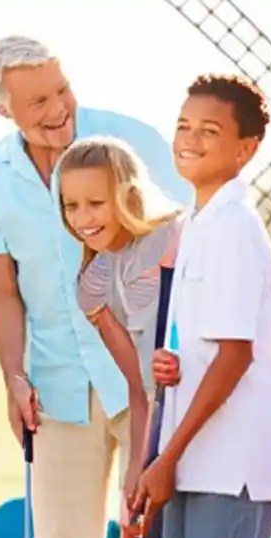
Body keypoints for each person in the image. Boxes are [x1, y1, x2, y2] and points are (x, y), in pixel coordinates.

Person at [0, 35, 190, 538]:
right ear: (4, 110)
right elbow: (3, 291)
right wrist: (12, 376)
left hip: (144, 380)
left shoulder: (133, 142)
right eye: (38, 100)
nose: (59, 108)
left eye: (62, 90)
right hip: (55, 388)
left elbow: (189, 251)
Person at [129, 73, 271, 538]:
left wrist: (165, 457)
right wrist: (173, 362)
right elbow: (208, 349)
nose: (191, 139)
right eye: (184, 125)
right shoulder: (197, 222)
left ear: (246, 148)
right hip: (192, 457)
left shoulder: (233, 226)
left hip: (231, 465)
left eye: (211, 131)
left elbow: (236, 356)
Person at [58, 135, 184, 503]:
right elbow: (140, 385)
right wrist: (136, 470)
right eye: (71, 206)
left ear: (129, 195)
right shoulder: (92, 286)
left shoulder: (175, 238)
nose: (83, 219)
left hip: (201, 419)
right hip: (158, 425)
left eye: (96, 203)